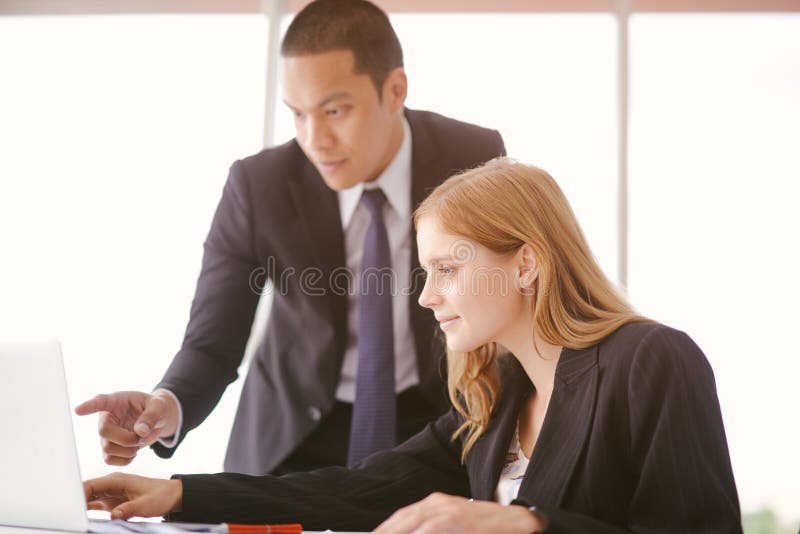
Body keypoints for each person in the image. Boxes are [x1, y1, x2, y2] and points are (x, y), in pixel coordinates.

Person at [84, 158, 742, 533]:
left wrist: (528, 525)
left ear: (526, 263)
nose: (427, 298)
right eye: (425, 275)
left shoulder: (652, 362)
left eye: (448, 270)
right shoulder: (491, 402)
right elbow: (351, 490)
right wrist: (175, 494)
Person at [74, 0, 505, 475]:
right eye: (297, 114)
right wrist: (164, 406)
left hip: (434, 427)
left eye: (334, 110)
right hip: (292, 436)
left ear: (395, 90)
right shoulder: (259, 186)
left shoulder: (473, 157)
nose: (314, 139)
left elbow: (506, 305)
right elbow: (212, 342)